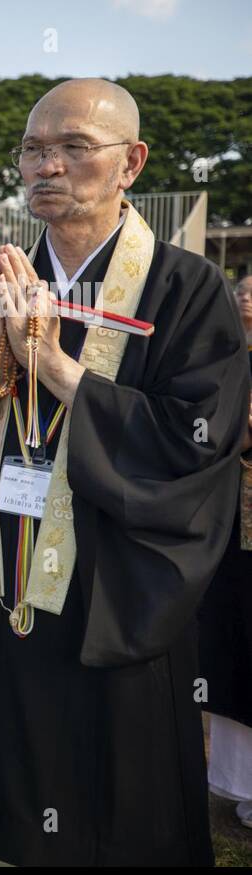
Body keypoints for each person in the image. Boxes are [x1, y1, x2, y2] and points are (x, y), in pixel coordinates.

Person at [0, 78, 250, 865]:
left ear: (130, 162)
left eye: (73, 148)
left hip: (115, 592)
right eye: (34, 149)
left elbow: (197, 443)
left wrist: (54, 367)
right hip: (5, 589)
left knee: (121, 819)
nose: (48, 167)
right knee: (12, 807)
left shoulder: (185, 288)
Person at [197, 273, 252, 829]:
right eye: (243, 290)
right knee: (238, 637)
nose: (247, 296)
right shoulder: (216, 352)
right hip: (233, 521)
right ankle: (241, 783)